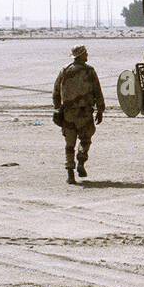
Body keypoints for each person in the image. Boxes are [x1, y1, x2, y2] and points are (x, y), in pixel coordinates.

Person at [53, 45, 105, 184]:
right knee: (85, 139)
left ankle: (70, 175)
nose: (87, 55)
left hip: (68, 113)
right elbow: (97, 91)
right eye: (85, 53)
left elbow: (56, 91)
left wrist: (57, 109)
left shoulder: (64, 70)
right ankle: (81, 160)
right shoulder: (89, 71)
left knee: (69, 144)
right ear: (81, 55)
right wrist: (100, 110)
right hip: (85, 112)